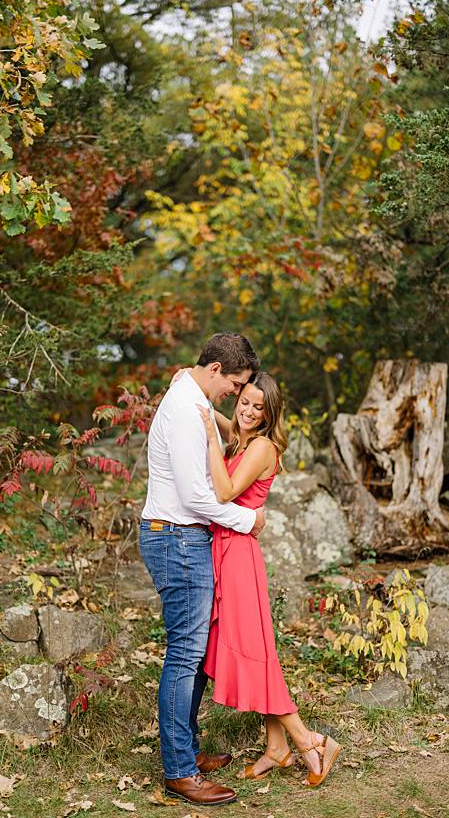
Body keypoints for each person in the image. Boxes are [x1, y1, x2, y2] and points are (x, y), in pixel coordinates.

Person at [196, 372, 343, 786]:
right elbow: (227, 420)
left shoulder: (261, 447)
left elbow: (224, 492)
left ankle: (309, 741)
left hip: (239, 558)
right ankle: (277, 749)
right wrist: (199, 397)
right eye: (244, 400)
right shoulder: (245, 436)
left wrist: (210, 437)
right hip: (226, 552)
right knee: (259, 655)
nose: (247, 410)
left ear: (269, 414)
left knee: (253, 656)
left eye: (258, 407)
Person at [138, 333, 267, 806]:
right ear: (215, 370)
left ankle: (187, 751)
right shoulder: (184, 410)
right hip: (176, 538)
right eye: (234, 385)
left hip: (181, 538)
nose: (235, 395)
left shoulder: (188, 395)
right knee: (185, 656)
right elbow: (197, 498)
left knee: (192, 657)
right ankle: (180, 771)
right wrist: (248, 520)